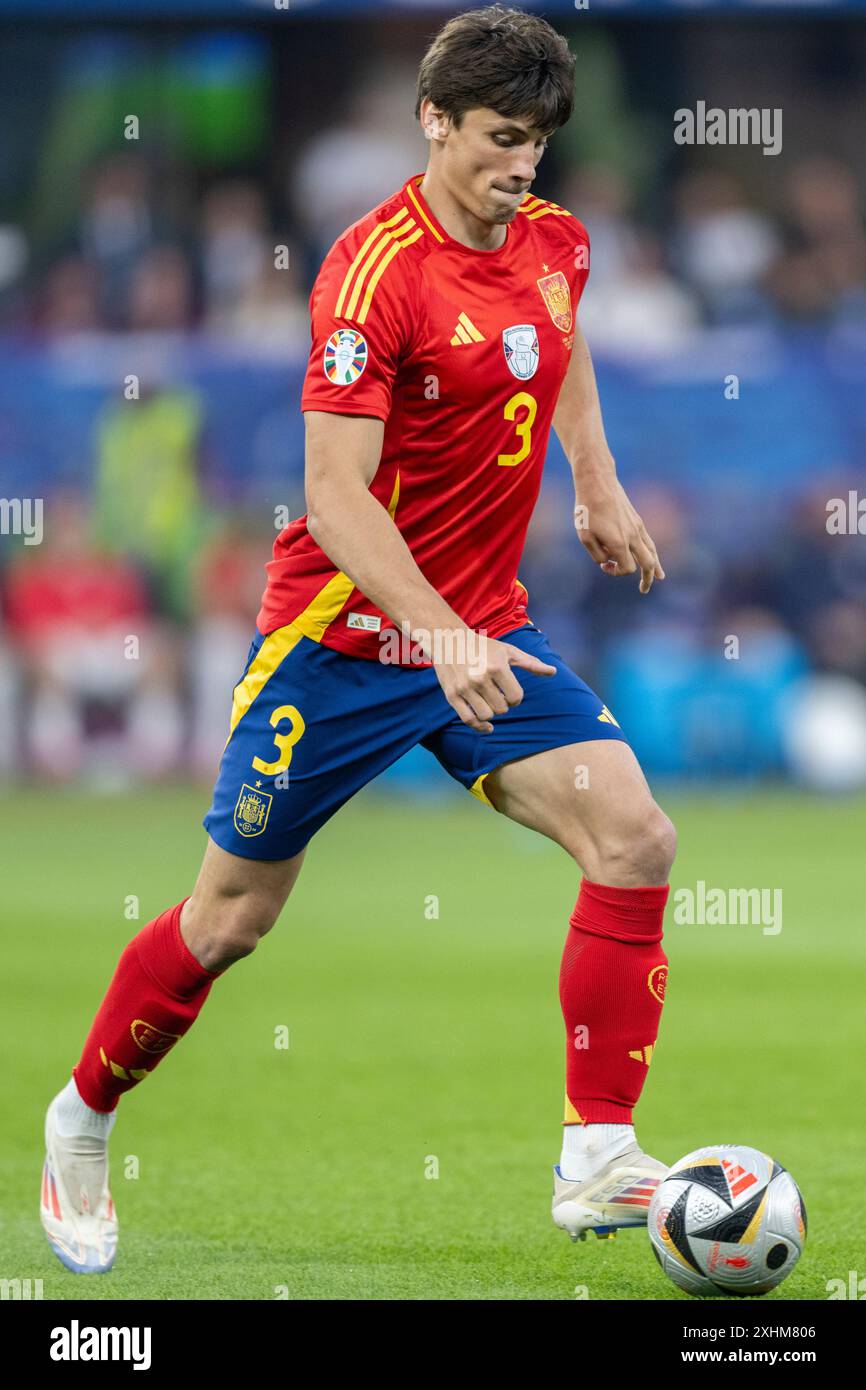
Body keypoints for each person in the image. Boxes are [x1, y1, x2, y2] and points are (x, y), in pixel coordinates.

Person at [41, 4, 676, 1275]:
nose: (519, 167)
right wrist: (434, 634)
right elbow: (334, 497)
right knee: (228, 921)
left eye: (537, 142)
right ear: (432, 121)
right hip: (340, 643)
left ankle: (595, 1154)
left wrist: (594, 480)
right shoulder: (371, 272)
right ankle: (81, 1120)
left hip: (479, 632)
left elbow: (562, 343)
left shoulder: (554, 240)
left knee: (636, 836)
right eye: (497, 139)